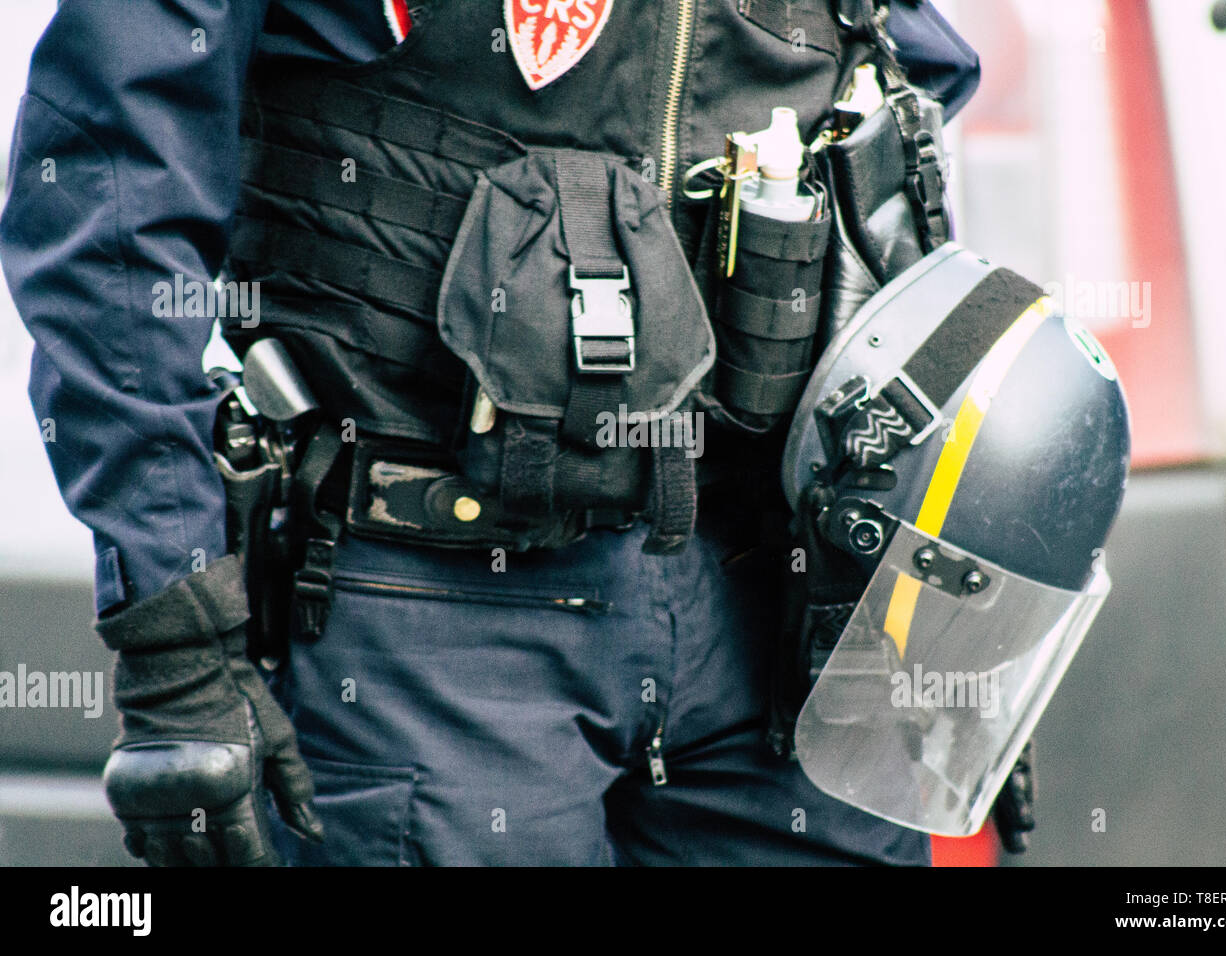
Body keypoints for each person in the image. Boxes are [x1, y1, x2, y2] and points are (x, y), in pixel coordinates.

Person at [0, 0, 1001, 866]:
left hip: (781, 610)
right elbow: (109, 189)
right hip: (426, 610)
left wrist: (949, 581)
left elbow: (899, 131)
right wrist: (174, 625)